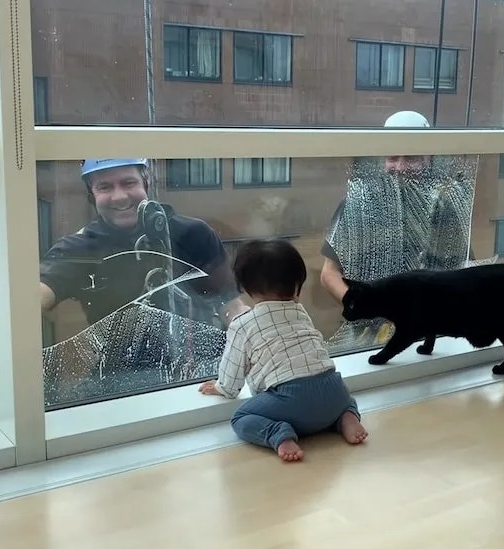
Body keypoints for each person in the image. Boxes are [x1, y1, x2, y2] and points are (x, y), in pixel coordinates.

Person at [38, 158, 248, 403]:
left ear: (146, 182)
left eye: (128, 183)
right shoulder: (79, 249)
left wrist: (260, 339)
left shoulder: (192, 235)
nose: (119, 196)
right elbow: (35, 298)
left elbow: (231, 307)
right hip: (121, 387)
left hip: (197, 380)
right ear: (91, 194)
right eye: (105, 187)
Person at [319, 110, 479, 352]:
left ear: (429, 159)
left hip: (428, 338)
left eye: (412, 158)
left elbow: (463, 274)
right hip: (366, 339)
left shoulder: (442, 209)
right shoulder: (359, 204)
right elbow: (329, 274)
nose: (400, 167)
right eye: (393, 157)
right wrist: (370, 312)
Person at [199, 238, 368, 462]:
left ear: (247, 289)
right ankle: (346, 416)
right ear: (297, 285)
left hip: (289, 399)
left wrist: (222, 388)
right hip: (334, 389)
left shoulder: (243, 324)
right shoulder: (300, 312)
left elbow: (232, 376)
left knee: (241, 417)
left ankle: (279, 434)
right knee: (346, 400)